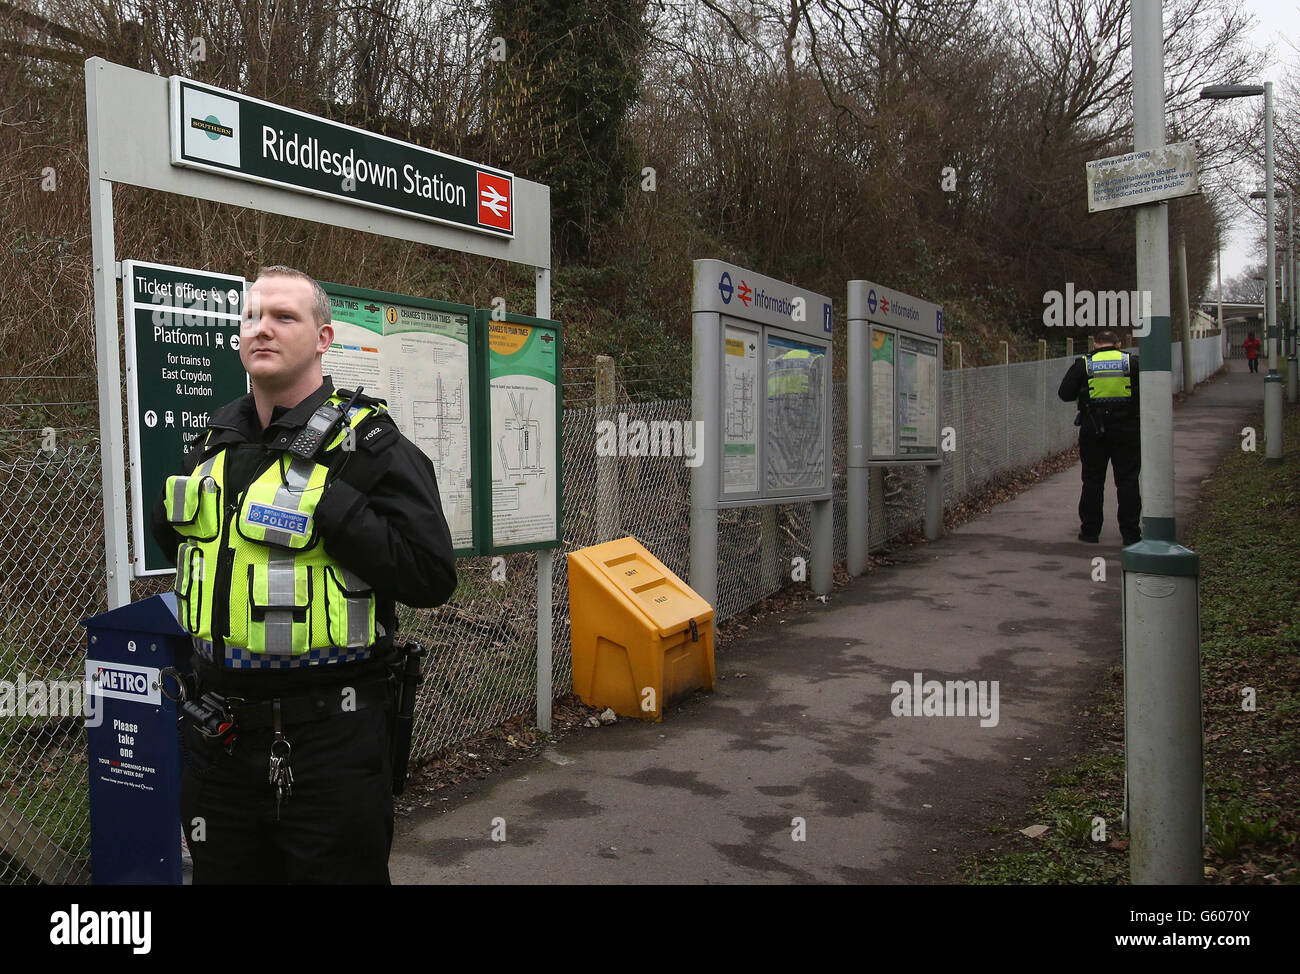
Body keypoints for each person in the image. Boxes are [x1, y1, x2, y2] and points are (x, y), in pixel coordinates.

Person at [150, 265, 457, 883]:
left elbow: (431, 576)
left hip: (332, 746)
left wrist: (334, 508)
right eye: (251, 317)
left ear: (323, 337)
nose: (262, 329)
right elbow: (181, 545)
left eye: (284, 317)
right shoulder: (216, 443)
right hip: (218, 744)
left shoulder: (369, 445)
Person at [1057, 329, 1141, 546]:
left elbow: (1064, 393)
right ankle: (1131, 534)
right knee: (1128, 481)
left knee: (1093, 481)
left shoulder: (1084, 364)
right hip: (1127, 429)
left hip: (1093, 430)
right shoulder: (1132, 362)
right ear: (1119, 344)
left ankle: (1090, 532)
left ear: (1095, 344)